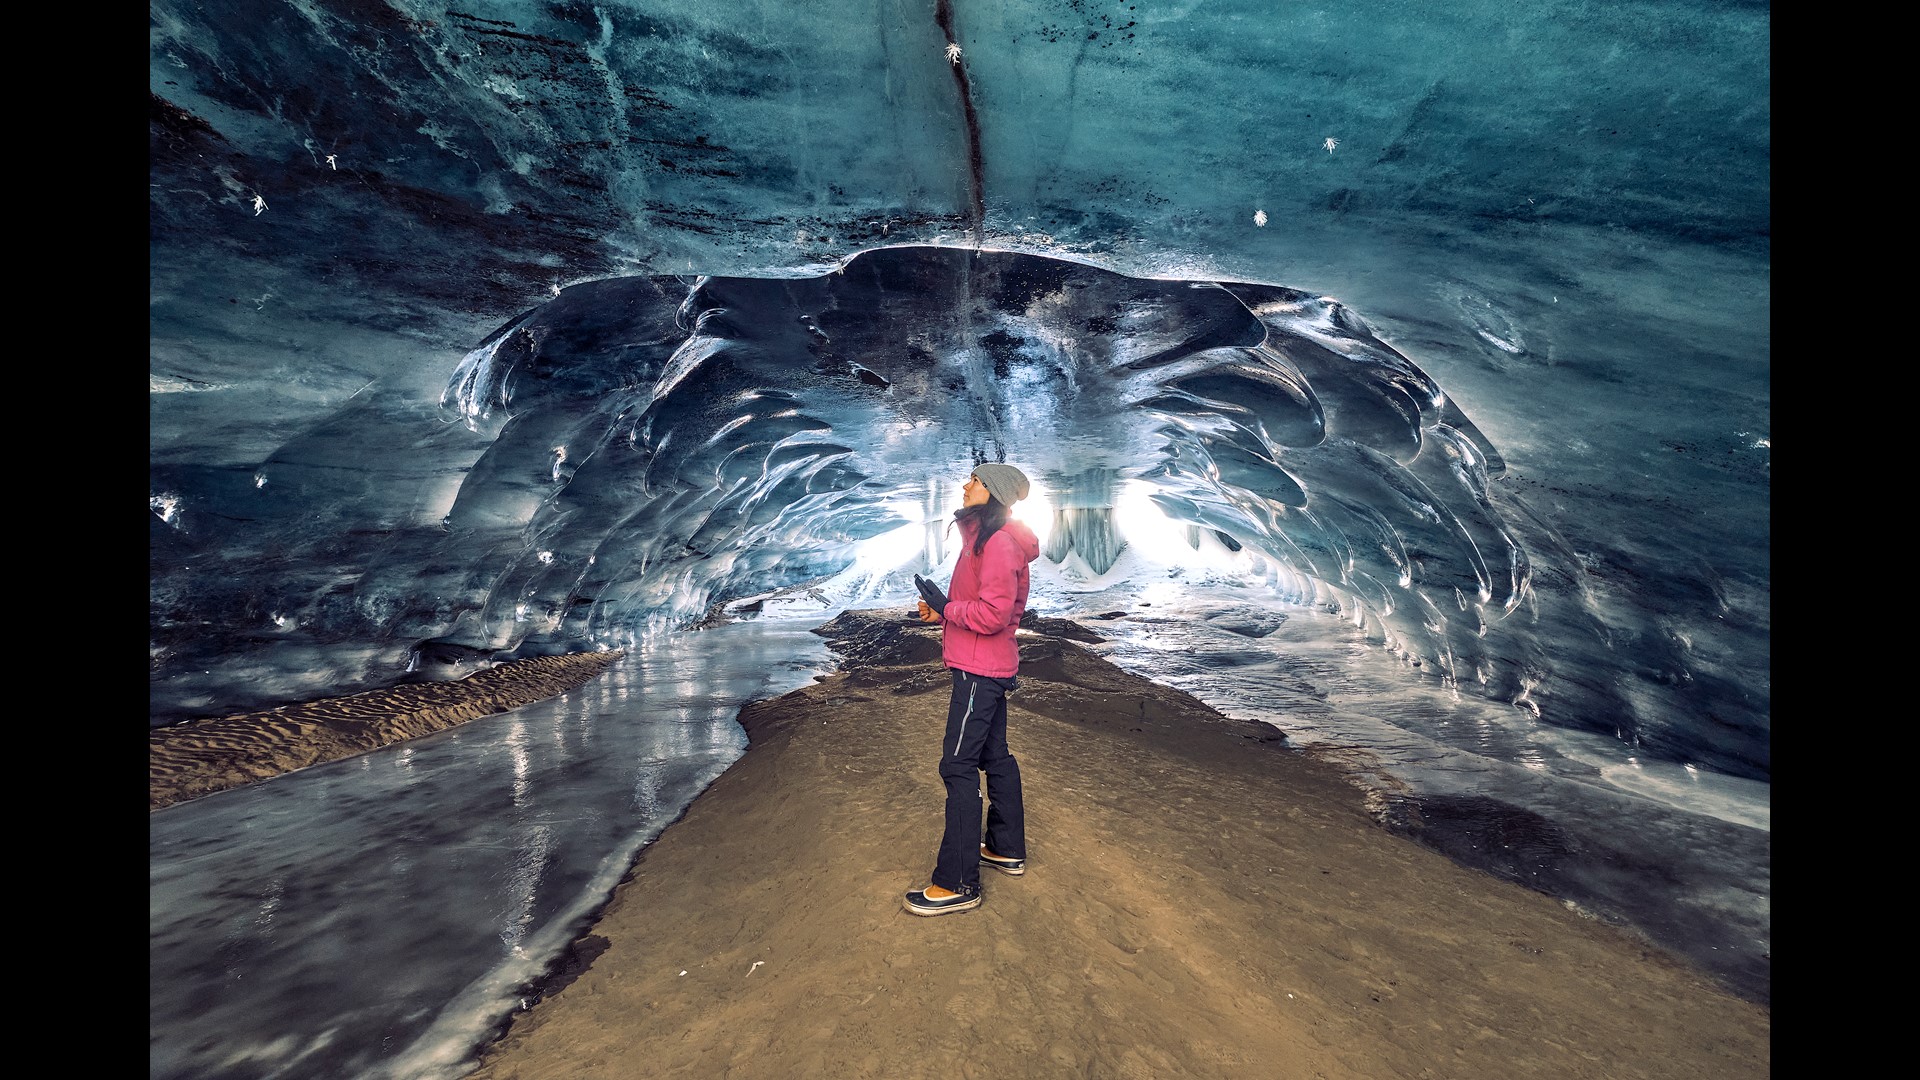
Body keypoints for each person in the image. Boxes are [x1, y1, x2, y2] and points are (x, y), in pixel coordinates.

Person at [905, 463, 1041, 916]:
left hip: (979, 671)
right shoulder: (986, 539)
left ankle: (958, 882)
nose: (966, 486)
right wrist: (941, 613)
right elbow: (978, 608)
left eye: (976, 481)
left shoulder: (999, 543)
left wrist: (948, 607)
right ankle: (1005, 847)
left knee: (957, 765)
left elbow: (993, 615)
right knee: (994, 756)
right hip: (987, 666)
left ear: (994, 492)